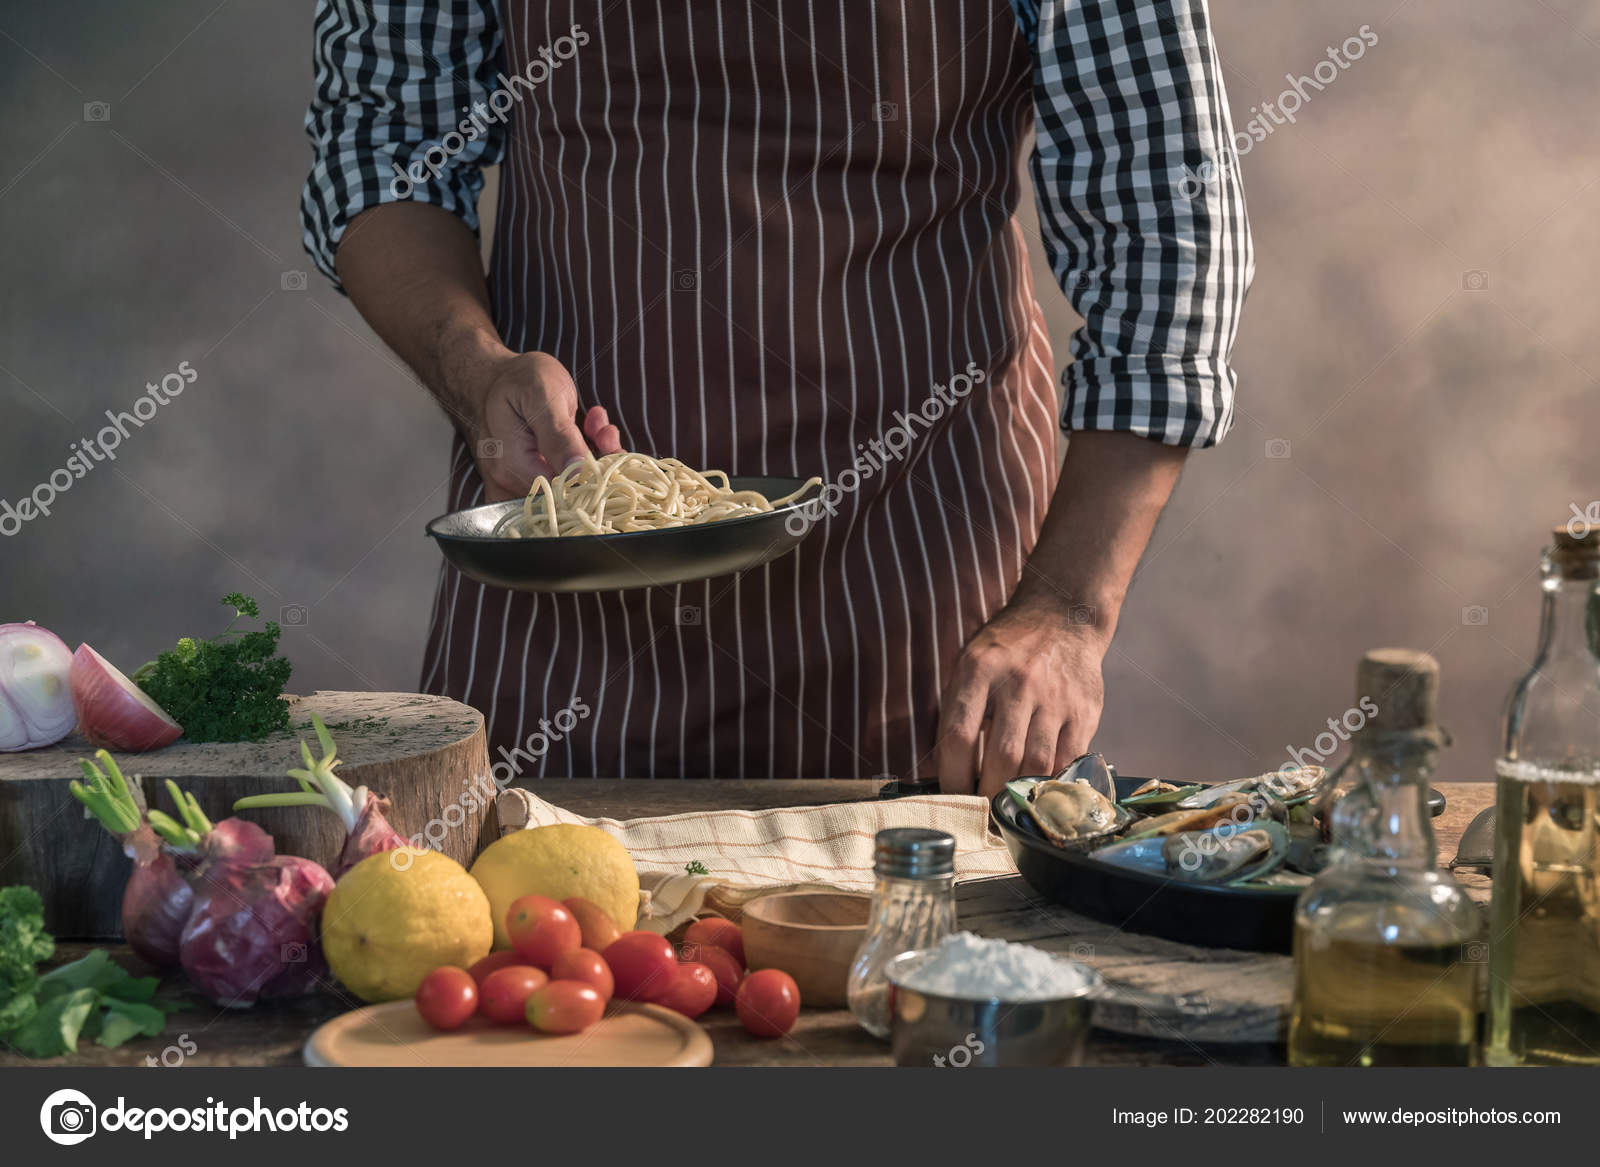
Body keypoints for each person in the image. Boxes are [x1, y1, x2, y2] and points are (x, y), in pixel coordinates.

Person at [300, 1, 1251, 794]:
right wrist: (475, 370)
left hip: (922, 559)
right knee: (541, 975)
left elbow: (1165, 226)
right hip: (565, 554)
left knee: (908, 981)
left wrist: (1067, 610)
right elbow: (385, 144)